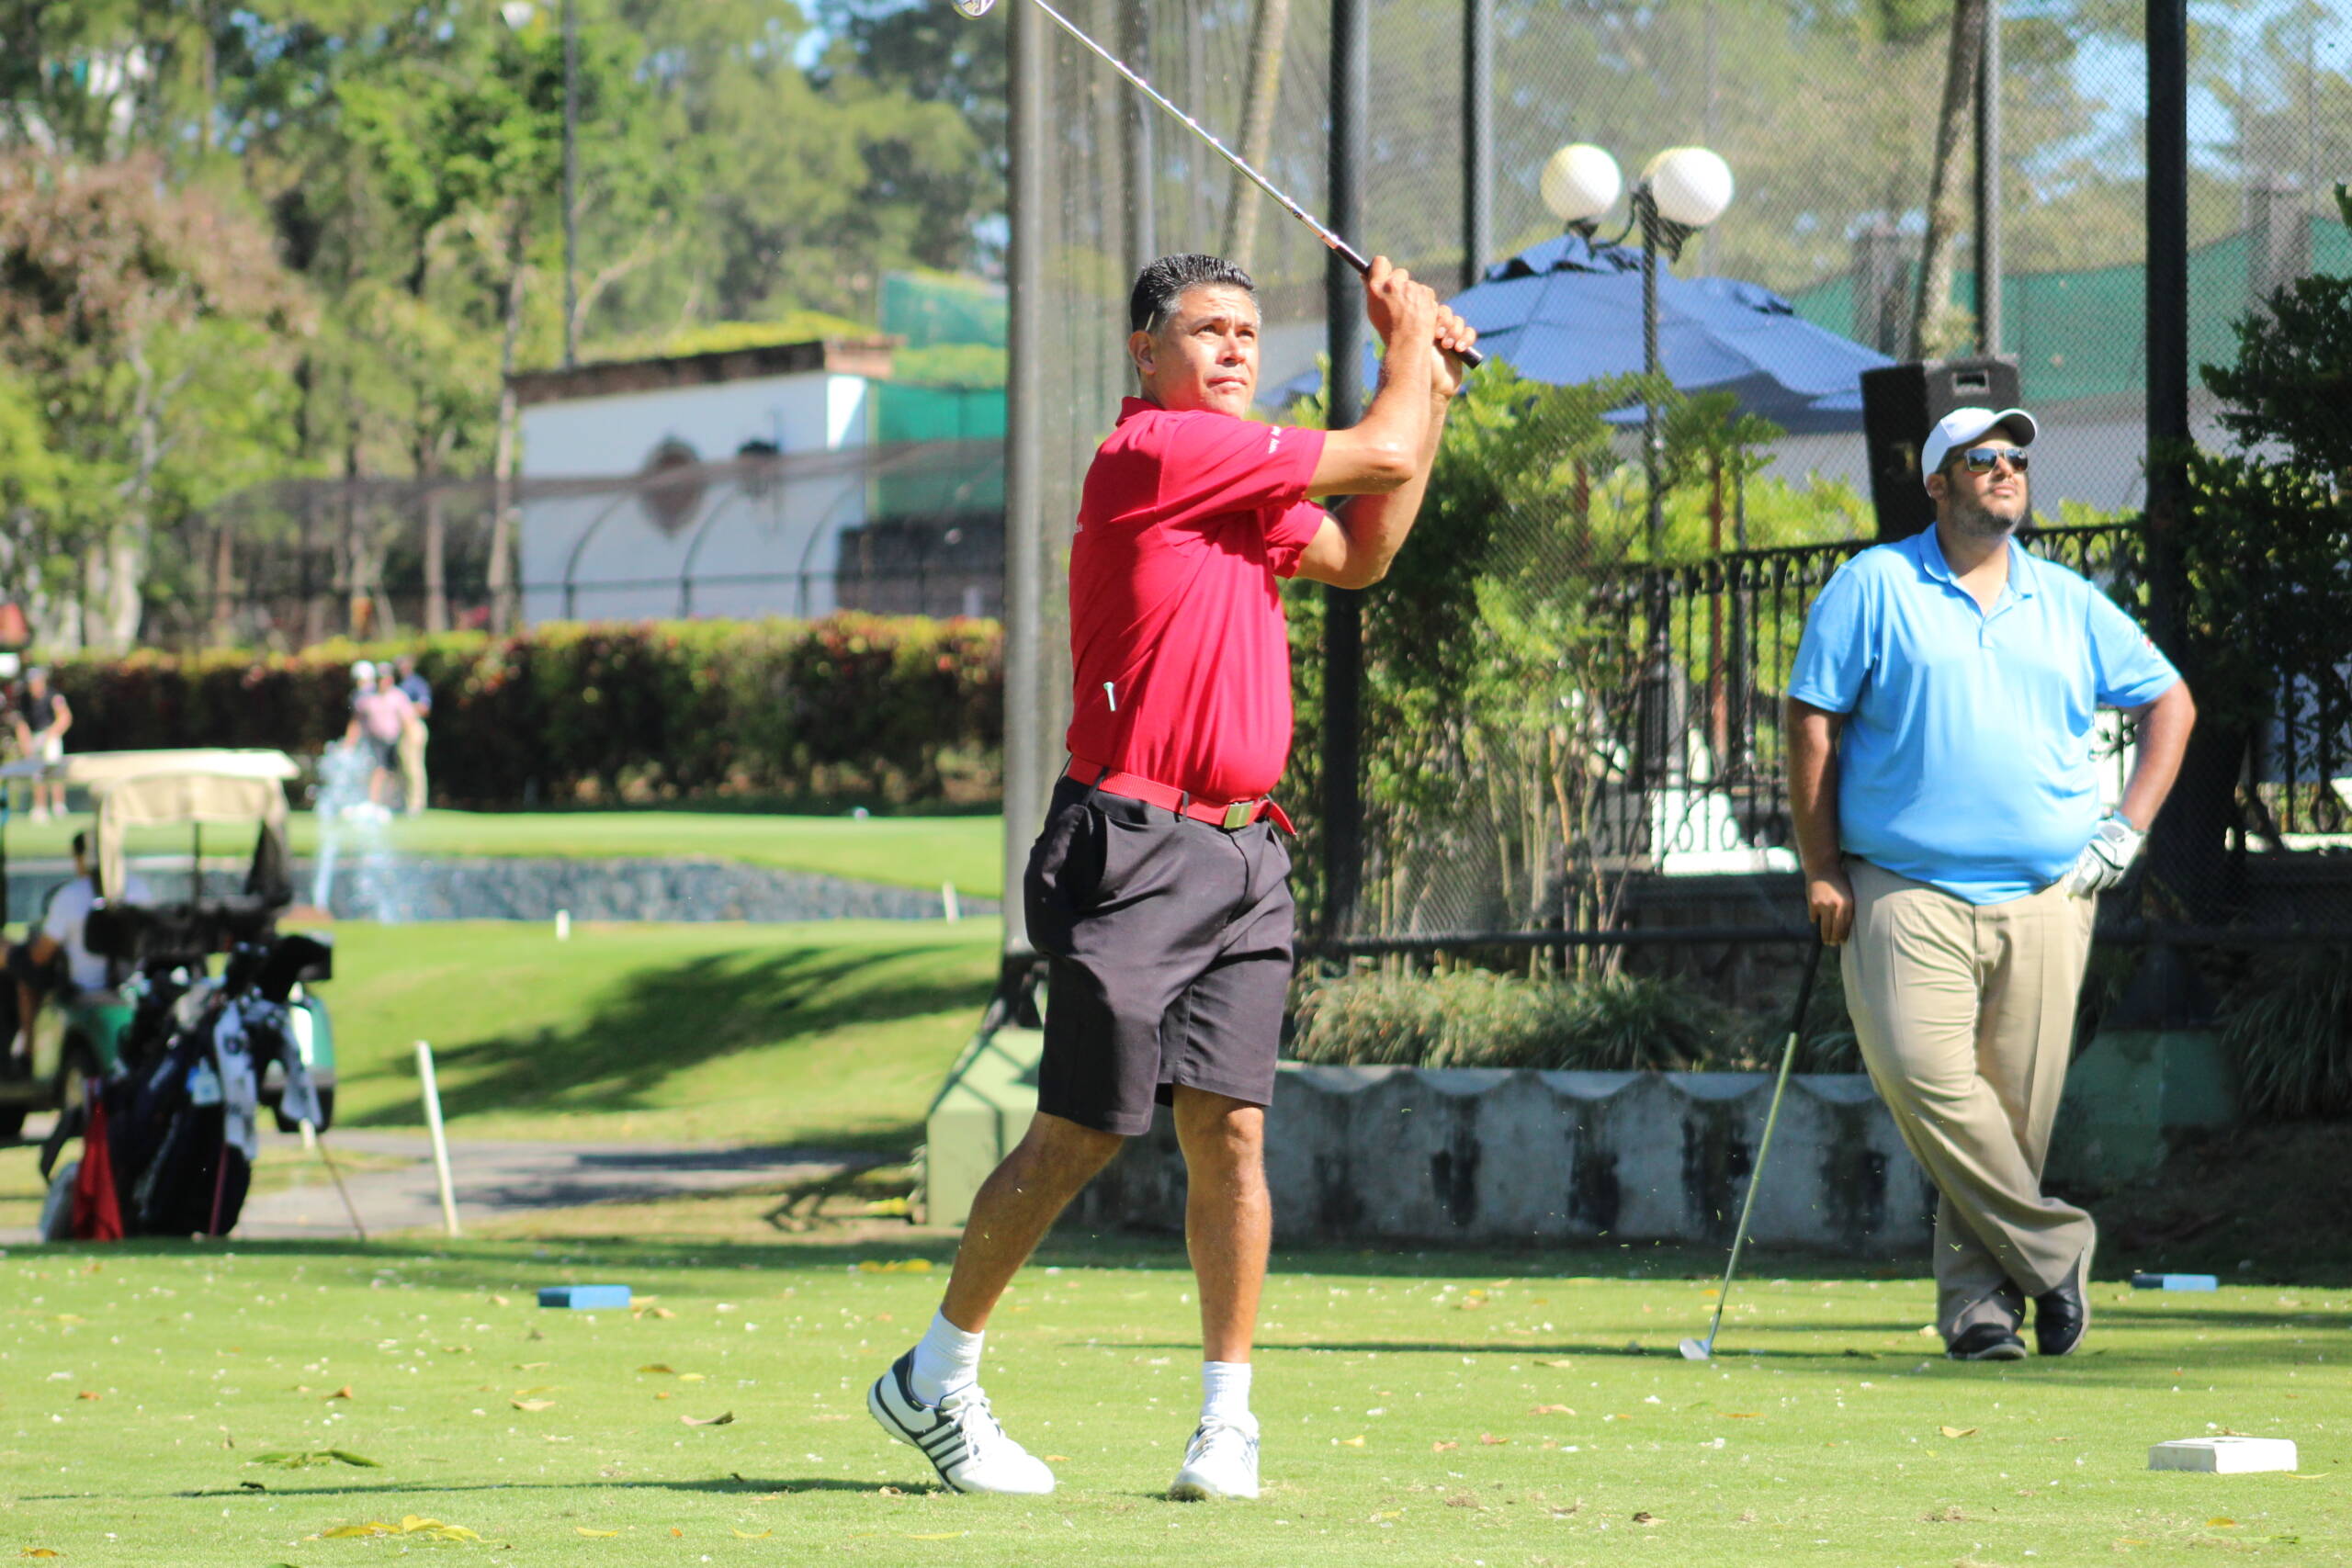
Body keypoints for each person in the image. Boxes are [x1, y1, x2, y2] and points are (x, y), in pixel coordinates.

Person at [866, 253, 1474, 1500]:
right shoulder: (1154, 455)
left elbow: (1362, 553)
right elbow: (1383, 451)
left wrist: (1436, 390)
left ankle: (1226, 1421)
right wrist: (1408, 338)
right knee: (1083, 1129)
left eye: (1249, 331)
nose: (1236, 350)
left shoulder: (1238, 483)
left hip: (1249, 847)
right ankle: (936, 1371)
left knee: (1233, 1129)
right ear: (1147, 354)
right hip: (1132, 845)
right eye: (1207, 330)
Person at [1785, 406, 2197, 1362]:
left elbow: (2166, 699)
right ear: (1937, 483)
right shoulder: (1873, 585)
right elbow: (1811, 726)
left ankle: (1978, 1315)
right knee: (1925, 1077)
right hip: (1902, 883)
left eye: (2016, 458)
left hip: (2052, 892)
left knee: (2010, 1121)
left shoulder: (2066, 599)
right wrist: (1818, 866)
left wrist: (2125, 828)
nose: (2006, 470)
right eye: (1982, 460)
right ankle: (2058, 1250)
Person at [7, 831, 150, 1070]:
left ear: (82, 859)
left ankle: (26, 1054)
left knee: (25, 972)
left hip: (85, 991)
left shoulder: (70, 895)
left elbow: (39, 956)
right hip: (132, 985)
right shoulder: (138, 888)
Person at [342, 661, 416, 811]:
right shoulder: (368, 697)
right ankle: (374, 803)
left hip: (395, 740)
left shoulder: (398, 696)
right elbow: (357, 721)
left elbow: (408, 720)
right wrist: (349, 741)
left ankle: (395, 803)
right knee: (378, 771)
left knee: (396, 773)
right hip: (375, 741)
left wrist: (410, 739)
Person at [11, 667, 72, 822]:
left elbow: (64, 717)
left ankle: (59, 806)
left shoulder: (54, 696)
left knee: (54, 770)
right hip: (35, 737)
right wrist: (26, 743)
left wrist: (51, 735)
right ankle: (40, 807)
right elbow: (22, 724)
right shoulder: (24, 700)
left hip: (51, 735)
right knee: (37, 774)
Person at [393, 655, 433, 818]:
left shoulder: (416, 683)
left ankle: (416, 804)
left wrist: (405, 708)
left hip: (413, 726)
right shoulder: (398, 684)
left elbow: (424, 707)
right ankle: (404, 802)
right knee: (402, 767)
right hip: (400, 729)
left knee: (414, 767)